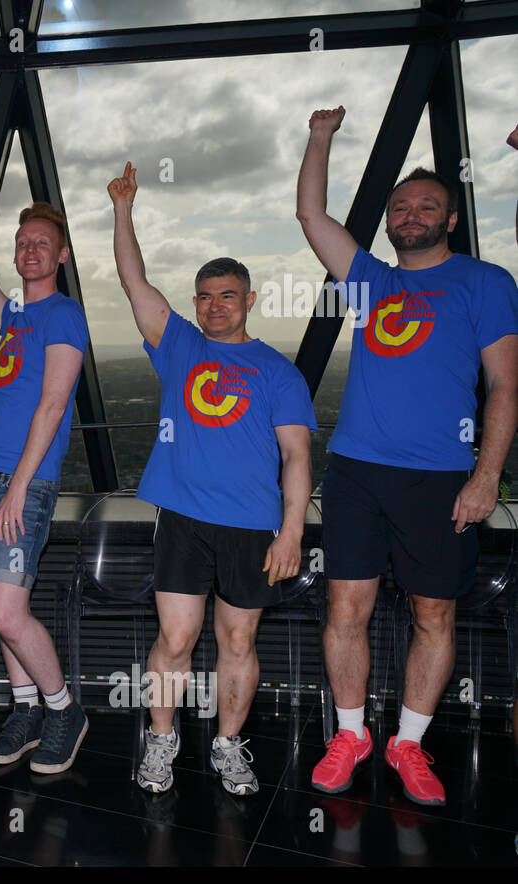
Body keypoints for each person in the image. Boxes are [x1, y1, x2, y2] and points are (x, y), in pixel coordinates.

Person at [298, 106, 518, 805]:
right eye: (401, 205)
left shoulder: (484, 283)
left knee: (434, 615)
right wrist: (321, 137)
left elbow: (507, 384)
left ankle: (409, 744)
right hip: (357, 470)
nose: (412, 212)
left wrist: (487, 474)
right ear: (390, 222)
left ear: (450, 220)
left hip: (441, 478)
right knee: (346, 608)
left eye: (428, 204)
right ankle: (353, 733)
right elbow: (310, 215)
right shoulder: (369, 279)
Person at [108, 162, 316, 795]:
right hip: (183, 518)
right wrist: (123, 209)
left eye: (227, 295)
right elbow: (133, 280)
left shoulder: (278, 372)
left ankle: (228, 745)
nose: (214, 306)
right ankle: (162, 740)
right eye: (205, 296)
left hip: (253, 526)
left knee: (237, 637)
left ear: (248, 300)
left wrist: (290, 533)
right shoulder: (178, 345)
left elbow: (298, 459)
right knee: (175, 636)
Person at [0, 169, 90, 774]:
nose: (30, 249)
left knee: (4, 611)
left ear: (61, 254)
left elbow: (53, 405)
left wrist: (18, 487)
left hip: (20, 486)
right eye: (23, 241)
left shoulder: (65, 316)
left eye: (43, 242)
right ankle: (26, 709)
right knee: (10, 605)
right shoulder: (13, 316)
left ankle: (63, 711)